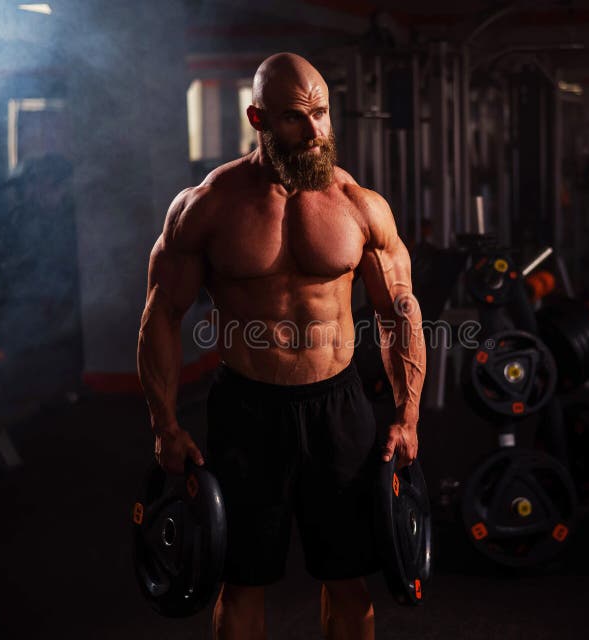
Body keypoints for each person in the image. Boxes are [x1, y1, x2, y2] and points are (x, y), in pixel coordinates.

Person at [137, 52, 425, 640]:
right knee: (239, 584)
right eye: (297, 118)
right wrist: (164, 425)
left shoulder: (359, 206)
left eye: (322, 113)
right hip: (248, 411)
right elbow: (162, 315)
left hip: (339, 409)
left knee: (349, 582)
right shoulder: (207, 206)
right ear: (258, 119)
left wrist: (408, 414)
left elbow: (400, 311)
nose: (317, 132)